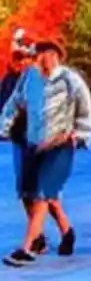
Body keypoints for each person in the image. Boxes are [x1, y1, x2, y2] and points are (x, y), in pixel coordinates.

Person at [0, 36, 91, 268]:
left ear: (57, 56)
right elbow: (11, 104)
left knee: (43, 194)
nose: (42, 60)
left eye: (49, 55)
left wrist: (81, 135)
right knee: (31, 192)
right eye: (38, 56)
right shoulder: (27, 79)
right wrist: (3, 127)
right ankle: (66, 231)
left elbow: (85, 109)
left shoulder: (71, 80)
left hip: (61, 142)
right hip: (31, 143)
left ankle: (28, 247)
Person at [0, 33, 43, 255]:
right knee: (25, 191)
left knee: (37, 191)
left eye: (25, 57)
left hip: (37, 141)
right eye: (17, 57)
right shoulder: (9, 79)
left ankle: (38, 237)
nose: (20, 61)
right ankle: (38, 235)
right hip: (19, 140)